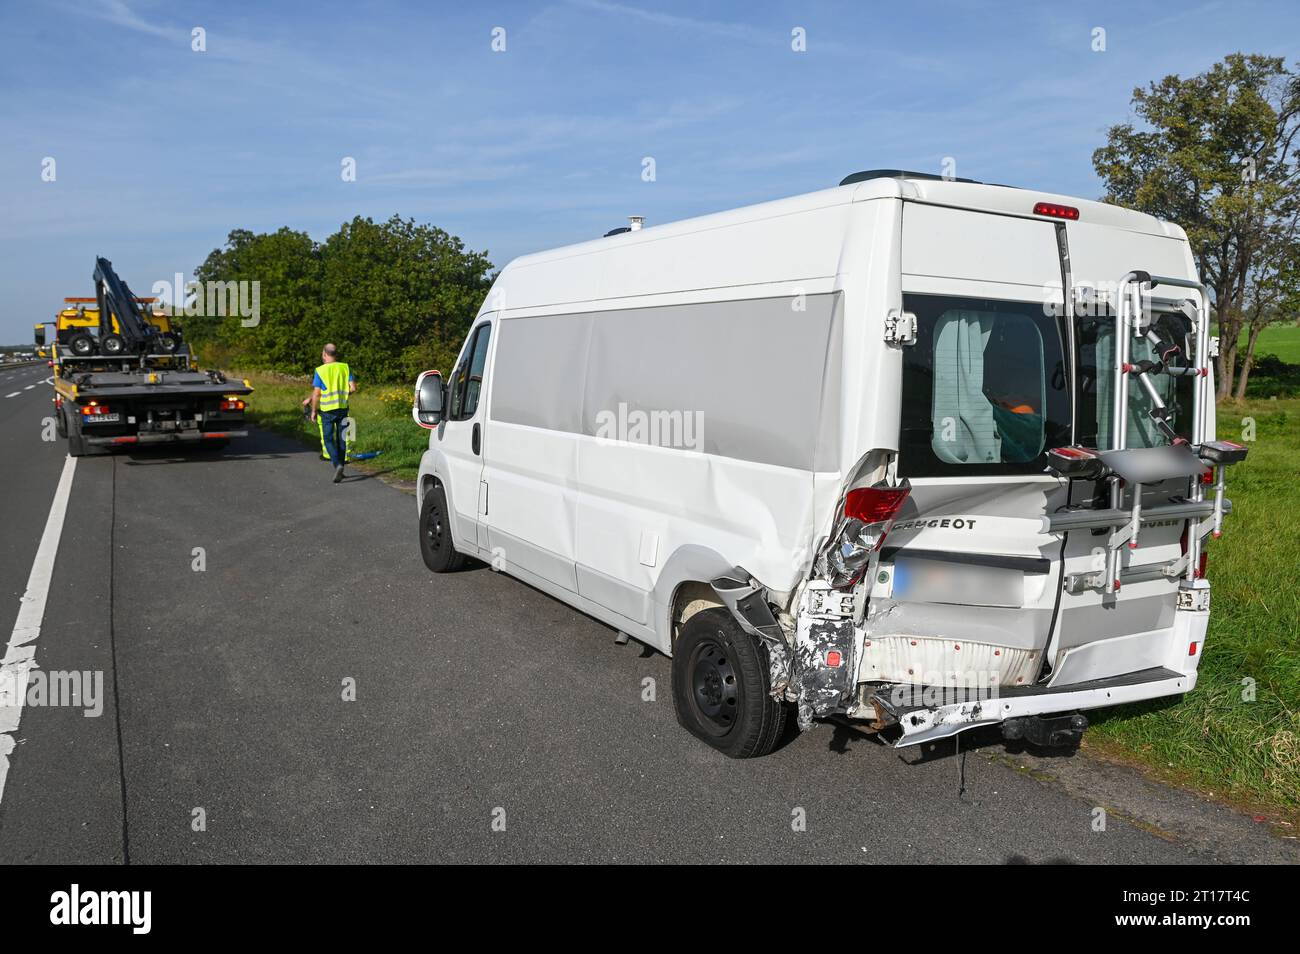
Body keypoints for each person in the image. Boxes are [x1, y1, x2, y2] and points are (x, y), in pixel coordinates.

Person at [304, 343, 357, 483]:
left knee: (328, 439)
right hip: (342, 408)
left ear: (324, 354)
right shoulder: (345, 367)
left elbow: (317, 393)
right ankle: (341, 468)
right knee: (342, 439)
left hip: (327, 411)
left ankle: (337, 465)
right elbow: (352, 388)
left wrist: (313, 411)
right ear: (336, 354)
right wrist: (342, 395)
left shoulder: (320, 370)